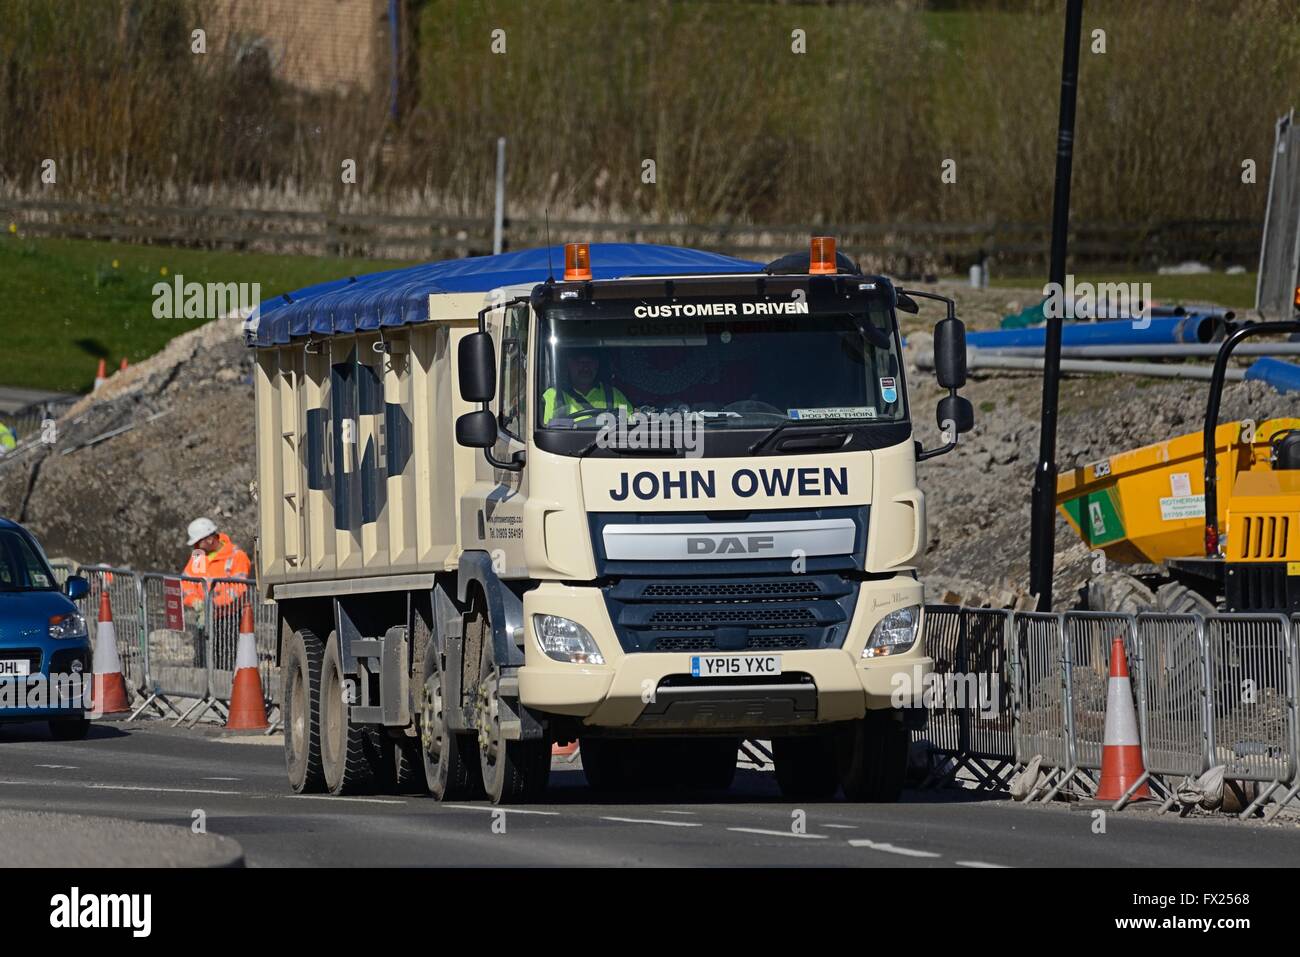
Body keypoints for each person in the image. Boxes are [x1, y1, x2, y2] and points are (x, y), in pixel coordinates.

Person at [180, 518, 251, 670]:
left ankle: (224, 692)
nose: (195, 546)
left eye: (198, 542)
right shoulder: (199, 556)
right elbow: (186, 582)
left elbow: (238, 588)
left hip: (228, 620)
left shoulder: (236, 556)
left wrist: (212, 604)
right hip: (204, 619)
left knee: (226, 661)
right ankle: (203, 692)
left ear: (210, 539)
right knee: (201, 660)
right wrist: (195, 602)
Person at [542, 347, 631, 424]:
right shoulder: (552, 395)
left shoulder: (614, 396)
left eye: (590, 362)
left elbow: (630, 428)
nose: (585, 367)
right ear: (569, 364)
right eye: (580, 362)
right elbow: (545, 433)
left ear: (597, 364)